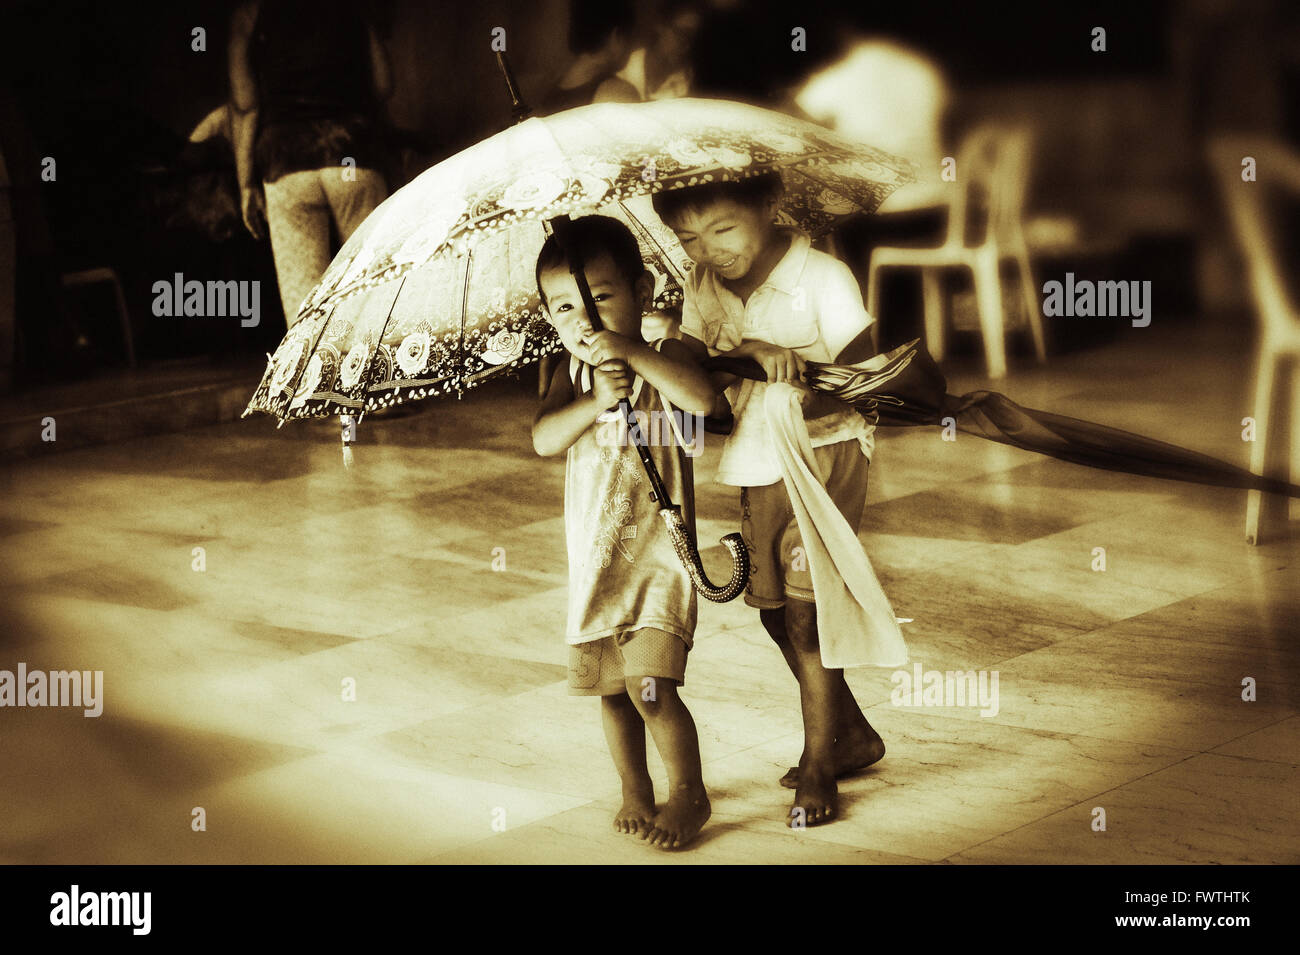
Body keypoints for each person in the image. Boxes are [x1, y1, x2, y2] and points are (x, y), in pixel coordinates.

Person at [652, 171, 889, 827]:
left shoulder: (822, 278)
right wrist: (724, 354)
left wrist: (788, 368)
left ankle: (820, 762)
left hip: (826, 451)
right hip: (758, 455)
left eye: (723, 228)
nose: (708, 250)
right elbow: (690, 367)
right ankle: (854, 733)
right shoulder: (701, 283)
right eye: (688, 238)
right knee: (772, 611)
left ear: (768, 205)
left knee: (807, 615)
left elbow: (864, 382)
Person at [532, 215, 716, 849]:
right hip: (596, 562)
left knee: (651, 685)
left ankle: (689, 794)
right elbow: (544, 439)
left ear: (641, 292)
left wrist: (634, 355)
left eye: (600, 297)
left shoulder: (667, 358)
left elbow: (702, 404)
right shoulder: (571, 373)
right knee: (613, 691)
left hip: (658, 562)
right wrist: (595, 401)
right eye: (563, 308)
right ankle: (634, 787)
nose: (582, 319)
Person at [228, 0, 392, 329]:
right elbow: (384, 84)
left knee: (304, 303)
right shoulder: (352, 10)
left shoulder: (251, 13)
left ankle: (315, 376)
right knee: (376, 285)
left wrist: (245, 183)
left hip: (286, 162)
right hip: (350, 153)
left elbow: (246, 106)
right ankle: (386, 371)